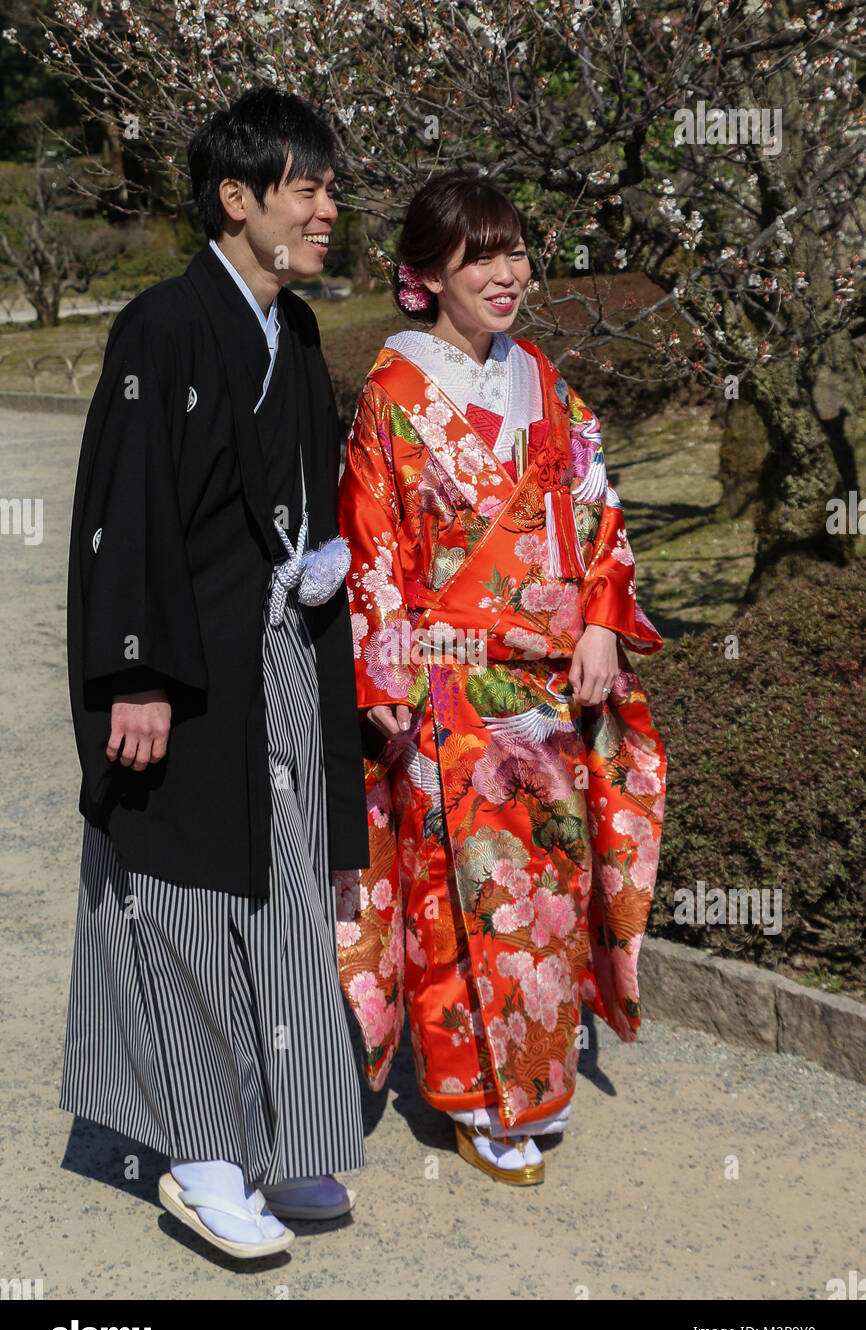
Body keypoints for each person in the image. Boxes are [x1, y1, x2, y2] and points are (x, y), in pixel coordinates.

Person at [61, 87, 369, 1257]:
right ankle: (199, 1154)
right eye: (307, 186)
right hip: (182, 673)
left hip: (275, 653)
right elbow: (121, 510)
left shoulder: (290, 334)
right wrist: (133, 672)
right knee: (183, 904)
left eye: (329, 186)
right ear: (236, 199)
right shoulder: (162, 327)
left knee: (285, 899)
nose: (327, 208)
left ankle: (279, 1137)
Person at [335, 172, 667, 1184]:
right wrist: (384, 658)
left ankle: (536, 1079)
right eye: (480, 255)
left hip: (547, 689)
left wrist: (604, 620)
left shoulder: (545, 382)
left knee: (546, 885)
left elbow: (598, 511)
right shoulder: (391, 395)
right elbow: (369, 545)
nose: (505, 273)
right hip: (445, 687)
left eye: (515, 250)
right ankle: (476, 1096)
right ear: (425, 274)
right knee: (465, 893)